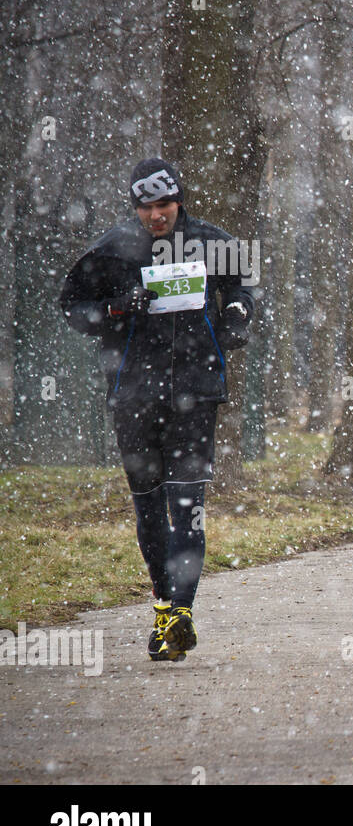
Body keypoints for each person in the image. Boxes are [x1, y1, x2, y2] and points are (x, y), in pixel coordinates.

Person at [59, 158, 255, 661]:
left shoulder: (215, 242)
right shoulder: (112, 249)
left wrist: (236, 318)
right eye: (145, 208)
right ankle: (166, 609)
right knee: (149, 508)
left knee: (187, 503)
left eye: (164, 205)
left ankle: (180, 612)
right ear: (135, 207)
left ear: (179, 200)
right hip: (134, 394)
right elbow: (72, 308)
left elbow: (245, 290)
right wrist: (118, 307)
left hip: (197, 389)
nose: (156, 216)